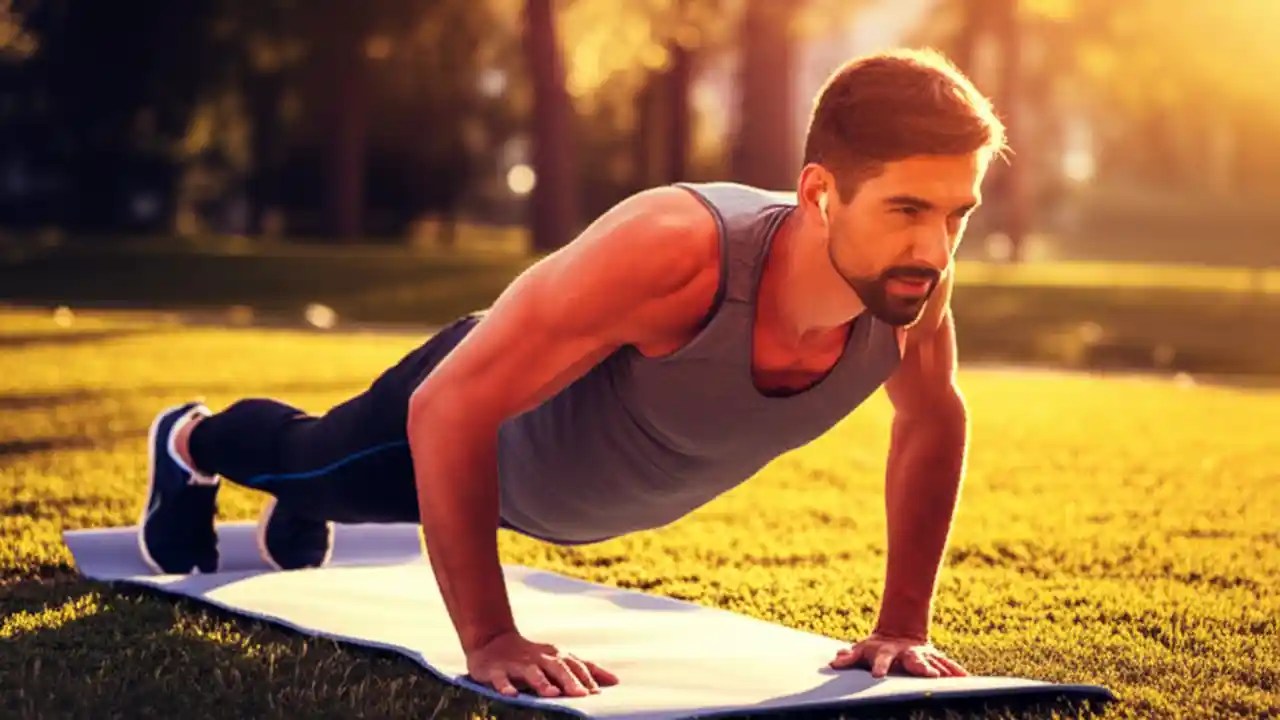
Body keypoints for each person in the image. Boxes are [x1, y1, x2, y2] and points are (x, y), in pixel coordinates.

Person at [136, 48, 1005, 700]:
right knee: (311, 459)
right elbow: (449, 408)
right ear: (820, 194)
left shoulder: (908, 285)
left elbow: (933, 418)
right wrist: (491, 639)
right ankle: (190, 442)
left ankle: (301, 498)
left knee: (323, 480)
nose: (933, 249)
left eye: (954, 216)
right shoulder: (677, 252)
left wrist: (901, 626)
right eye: (907, 210)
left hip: (536, 478)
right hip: (477, 426)